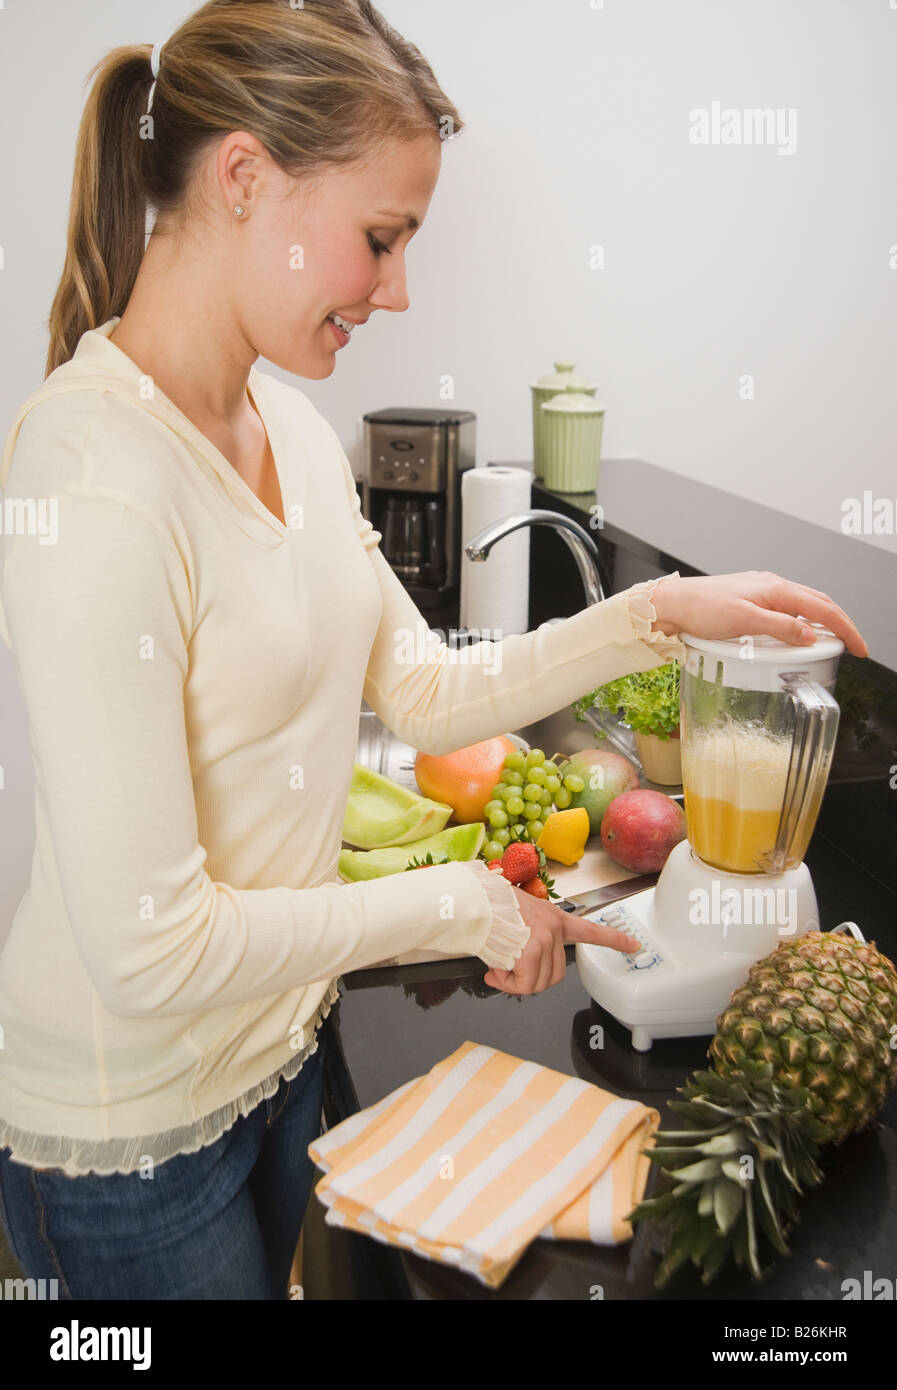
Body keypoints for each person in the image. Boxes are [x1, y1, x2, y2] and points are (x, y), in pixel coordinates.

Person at [0, 0, 867, 1302]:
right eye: (380, 237)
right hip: (134, 1138)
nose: (396, 289)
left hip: (280, 1059)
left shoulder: (288, 432)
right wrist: (460, 902)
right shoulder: (93, 475)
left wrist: (659, 615)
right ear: (242, 176)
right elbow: (146, 944)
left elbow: (421, 686)